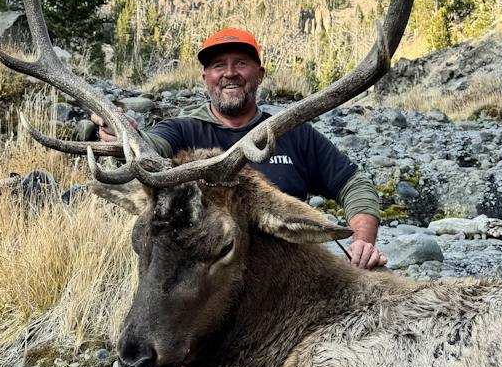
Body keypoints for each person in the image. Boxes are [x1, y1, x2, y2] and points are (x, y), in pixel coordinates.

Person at [95, 26, 386, 268]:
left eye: (241, 63)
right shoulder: (182, 130)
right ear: (205, 78)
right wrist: (129, 137)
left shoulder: (295, 134)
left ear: (259, 74)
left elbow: (353, 183)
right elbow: (151, 147)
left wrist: (362, 241)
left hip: (288, 275)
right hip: (206, 280)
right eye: (219, 65)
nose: (230, 73)